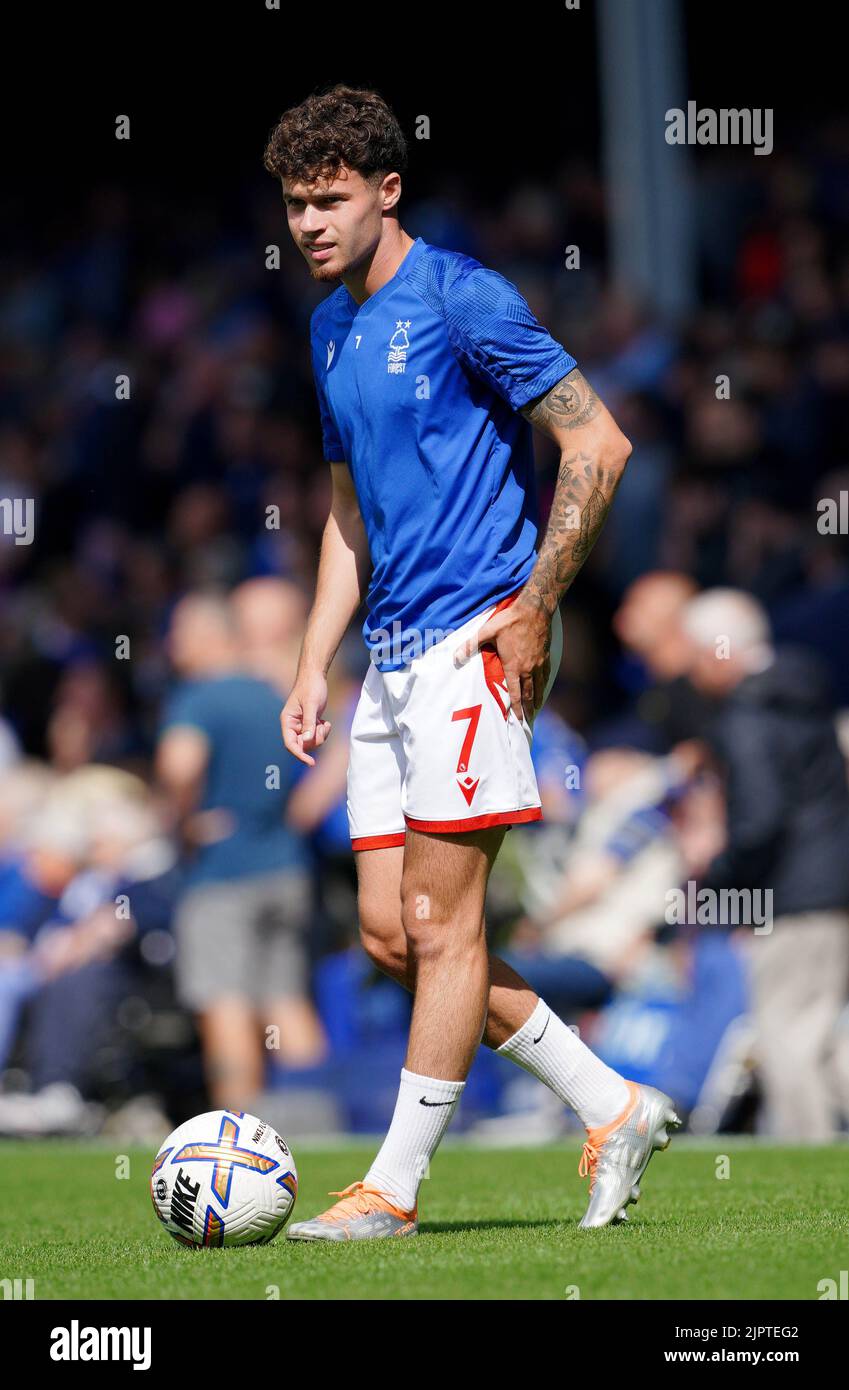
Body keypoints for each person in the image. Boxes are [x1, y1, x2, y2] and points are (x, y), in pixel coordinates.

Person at [265, 84, 680, 1240]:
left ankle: (390, 1191)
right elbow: (348, 511)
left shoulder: (463, 297)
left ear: (388, 190)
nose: (309, 223)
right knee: (392, 936)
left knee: (446, 928)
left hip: (471, 641)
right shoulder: (328, 326)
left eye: (330, 199)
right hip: (386, 662)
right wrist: (313, 663)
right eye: (295, 203)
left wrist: (538, 603)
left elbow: (599, 440)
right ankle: (614, 1103)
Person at [680, 588, 849, 1139]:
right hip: (834, 887)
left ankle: (810, 1165)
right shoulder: (804, 691)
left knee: (788, 1037)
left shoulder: (748, 714)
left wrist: (720, 882)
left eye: (698, 657)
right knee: (826, 1035)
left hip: (793, 898)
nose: (694, 673)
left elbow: (759, 822)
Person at [156, 592, 326, 1110]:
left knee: (224, 1002)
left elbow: (179, 766)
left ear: (213, 637)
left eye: (181, 633)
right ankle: (324, 1129)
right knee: (285, 1000)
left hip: (222, 873)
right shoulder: (274, 693)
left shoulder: (198, 697)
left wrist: (182, 822)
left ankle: (235, 1136)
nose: (171, 645)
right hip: (287, 869)